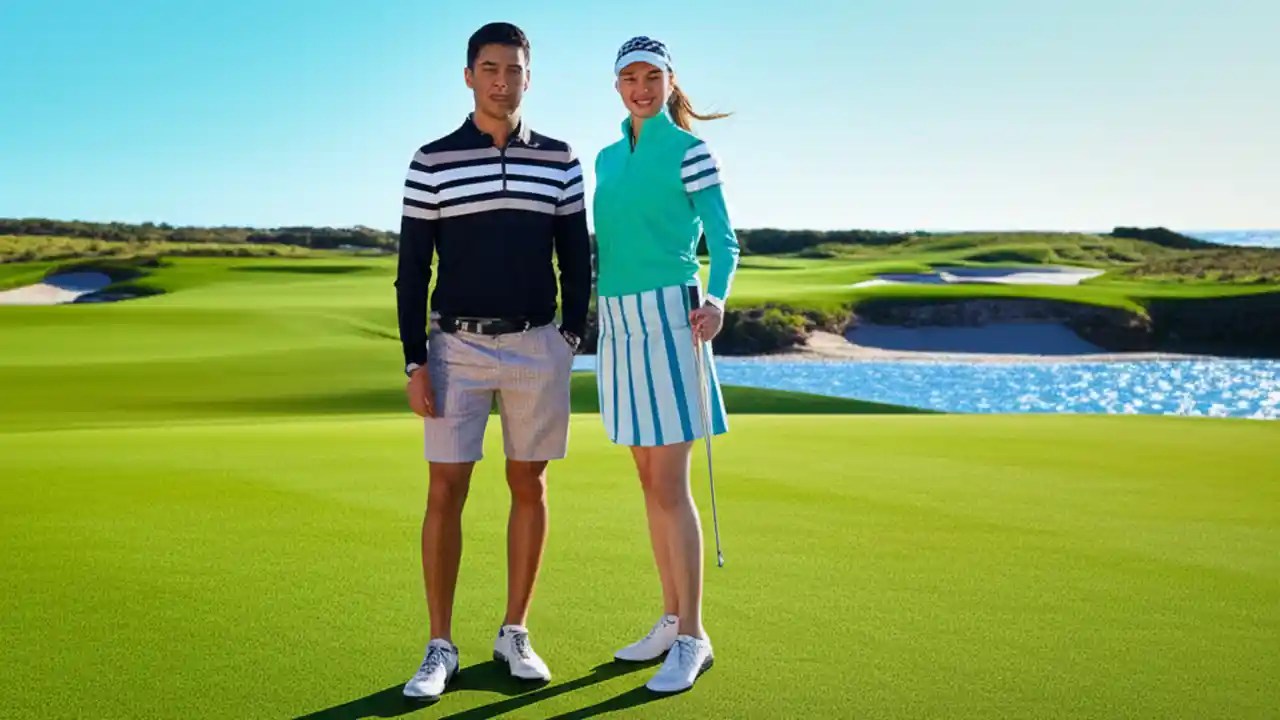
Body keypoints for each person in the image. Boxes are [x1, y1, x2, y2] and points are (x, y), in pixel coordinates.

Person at [394, 21, 591, 702]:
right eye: (489, 68)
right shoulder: (432, 161)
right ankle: (439, 645)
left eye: (513, 69)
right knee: (445, 488)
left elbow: (576, 257)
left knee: (528, 484)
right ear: (469, 75)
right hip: (457, 347)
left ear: (528, 77)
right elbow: (412, 270)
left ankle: (514, 632)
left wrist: (569, 337)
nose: (502, 80)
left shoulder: (562, 160)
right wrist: (414, 361)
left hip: (538, 343)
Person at [591, 35, 740, 694]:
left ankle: (694, 637)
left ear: (669, 80)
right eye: (631, 78)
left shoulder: (691, 152)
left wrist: (717, 299)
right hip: (617, 326)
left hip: (673, 322)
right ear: (618, 85)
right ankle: (670, 613)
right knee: (648, 486)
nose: (642, 88)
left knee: (671, 486)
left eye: (653, 76)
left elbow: (726, 242)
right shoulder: (604, 157)